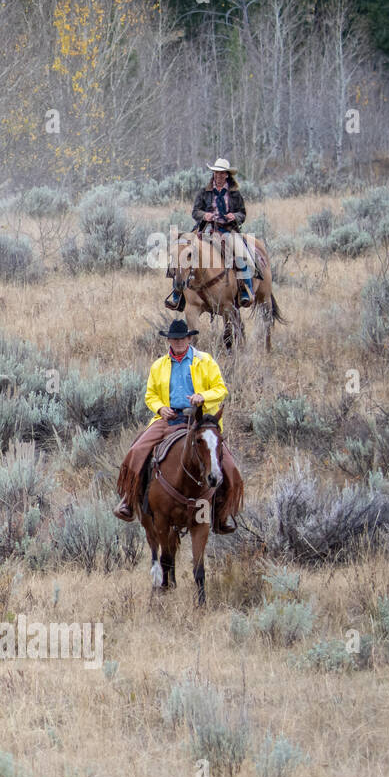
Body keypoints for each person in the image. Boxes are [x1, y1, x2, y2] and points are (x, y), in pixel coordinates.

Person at [113, 318, 243, 533]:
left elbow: (221, 389)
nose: (178, 342)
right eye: (174, 339)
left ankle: (223, 513)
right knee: (137, 450)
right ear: (169, 341)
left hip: (200, 421)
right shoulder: (159, 365)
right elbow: (150, 395)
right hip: (169, 419)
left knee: (229, 465)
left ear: (189, 338)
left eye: (182, 339)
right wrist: (160, 409)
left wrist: (203, 396)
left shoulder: (205, 361)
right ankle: (128, 500)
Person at [167, 157, 252, 309]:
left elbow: (242, 214)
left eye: (221, 173)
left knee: (240, 252)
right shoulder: (204, 192)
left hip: (228, 230)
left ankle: (245, 289)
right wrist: (204, 215)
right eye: (215, 173)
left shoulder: (234, 194)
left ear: (227, 175)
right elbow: (195, 212)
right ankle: (176, 293)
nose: (218, 176)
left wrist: (234, 216)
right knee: (180, 249)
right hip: (205, 229)